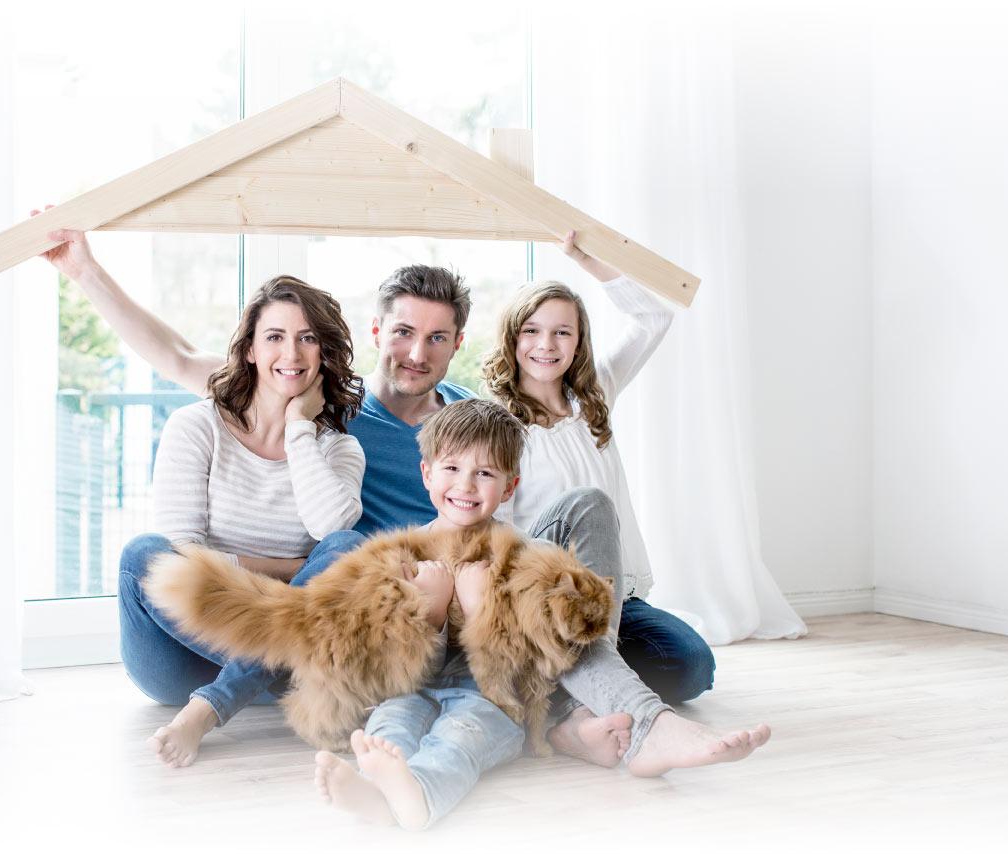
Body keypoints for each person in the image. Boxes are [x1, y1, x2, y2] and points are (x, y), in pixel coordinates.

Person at [45, 223, 768, 776]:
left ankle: (579, 702)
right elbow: (177, 356)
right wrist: (83, 269)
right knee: (317, 559)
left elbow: (511, 501)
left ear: (457, 344)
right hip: (374, 614)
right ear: (373, 334)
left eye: (435, 338)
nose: (416, 353)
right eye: (401, 333)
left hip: (460, 607)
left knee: (683, 663)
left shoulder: (470, 417)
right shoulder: (330, 409)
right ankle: (569, 714)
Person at [36, 214, 369, 768]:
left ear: (324, 353)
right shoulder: (199, 427)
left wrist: (299, 429)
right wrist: (290, 570)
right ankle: (251, 674)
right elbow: (184, 560)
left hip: (279, 654)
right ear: (252, 351)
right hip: (184, 656)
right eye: (276, 337)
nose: (292, 352)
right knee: (143, 554)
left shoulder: (336, 449)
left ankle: (212, 708)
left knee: (344, 551)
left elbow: (331, 534)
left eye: (308, 338)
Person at [484, 230, 716, 706]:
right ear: (512, 337)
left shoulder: (595, 397)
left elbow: (653, 318)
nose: (546, 345)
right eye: (532, 330)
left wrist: (587, 260)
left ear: (578, 342)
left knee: (692, 669)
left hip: (614, 598)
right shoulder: (499, 422)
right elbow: (499, 528)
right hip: (549, 597)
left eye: (562, 332)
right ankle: (574, 667)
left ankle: (579, 672)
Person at [314, 399, 552, 829]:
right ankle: (379, 788)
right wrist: (433, 615)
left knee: (462, 737)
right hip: (416, 686)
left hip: (491, 697)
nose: (466, 485)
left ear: (510, 486)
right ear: (426, 474)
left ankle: (418, 795)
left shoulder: (521, 556)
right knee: (389, 724)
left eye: (485, 473)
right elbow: (395, 658)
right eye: (452, 468)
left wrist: (480, 609)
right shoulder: (406, 553)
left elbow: (524, 664)